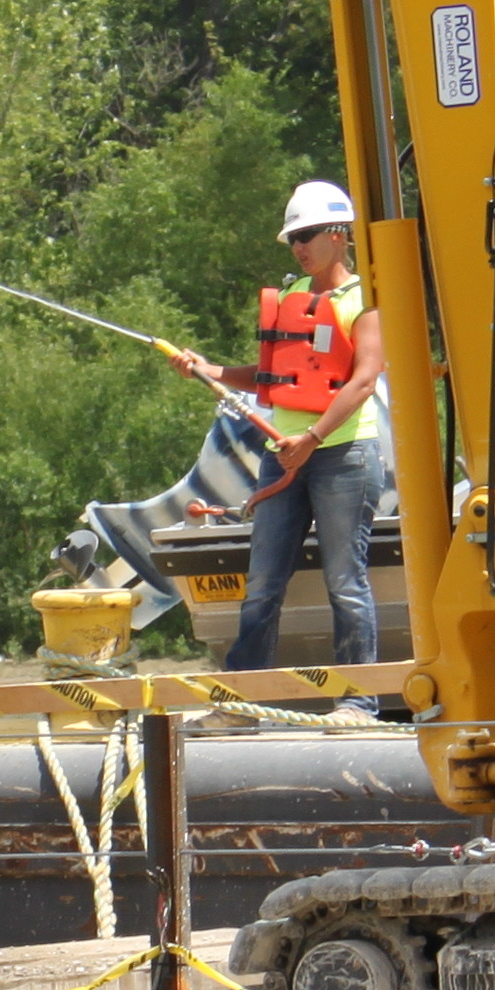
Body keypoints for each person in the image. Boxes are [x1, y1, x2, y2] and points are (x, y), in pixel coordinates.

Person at [164, 178, 388, 671]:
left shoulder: (365, 300)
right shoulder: (292, 296)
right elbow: (268, 374)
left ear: (338, 234)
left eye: (306, 236)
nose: (298, 247)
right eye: (293, 240)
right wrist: (208, 369)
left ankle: (357, 698)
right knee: (262, 584)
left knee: (345, 584)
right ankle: (245, 694)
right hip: (283, 458)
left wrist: (312, 438)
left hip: (344, 457)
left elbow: (363, 381)